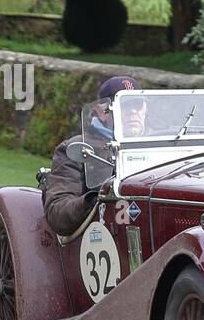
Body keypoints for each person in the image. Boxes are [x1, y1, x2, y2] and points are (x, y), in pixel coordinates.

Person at [43, 75, 139, 237]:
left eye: (139, 104)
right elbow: (57, 212)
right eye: (126, 106)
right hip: (100, 236)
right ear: (102, 111)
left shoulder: (161, 145)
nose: (134, 112)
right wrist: (95, 200)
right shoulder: (76, 148)